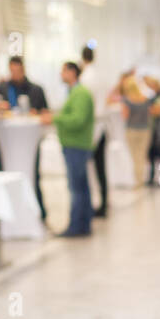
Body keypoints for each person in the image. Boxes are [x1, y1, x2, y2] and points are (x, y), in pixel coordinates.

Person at [0, 56, 50, 219]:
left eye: (17, 70)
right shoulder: (1, 88)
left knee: (33, 174)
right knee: (5, 175)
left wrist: (35, 113)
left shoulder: (36, 90)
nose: (15, 73)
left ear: (23, 69)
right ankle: (6, 213)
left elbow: (45, 113)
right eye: (12, 70)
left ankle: (37, 212)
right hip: (9, 141)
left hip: (28, 140)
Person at [55, 61, 95, 237]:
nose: (61, 74)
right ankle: (83, 224)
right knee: (81, 186)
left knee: (76, 188)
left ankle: (76, 226)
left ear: (72, 72)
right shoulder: (75, 92)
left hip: (76, 145)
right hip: (75, 144)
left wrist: (56, 119)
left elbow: (77, 120)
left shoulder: (80, 94)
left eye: (63, 71)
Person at [79, 45, 108, 217]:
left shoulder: (85, 78)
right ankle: (103, 203)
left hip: (91, 127)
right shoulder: (100, 76)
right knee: (101, 169)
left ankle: (92, 204)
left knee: (89, 170)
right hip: (101, 126)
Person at [115, 72, 154, 189]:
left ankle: (138, 181)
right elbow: (151, 113)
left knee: (134, 156)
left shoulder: (127, 101)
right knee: (141, 156)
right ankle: (141, 179)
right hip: (145, 130)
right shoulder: (146, 99)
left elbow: (125, 115)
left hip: (131, 130)